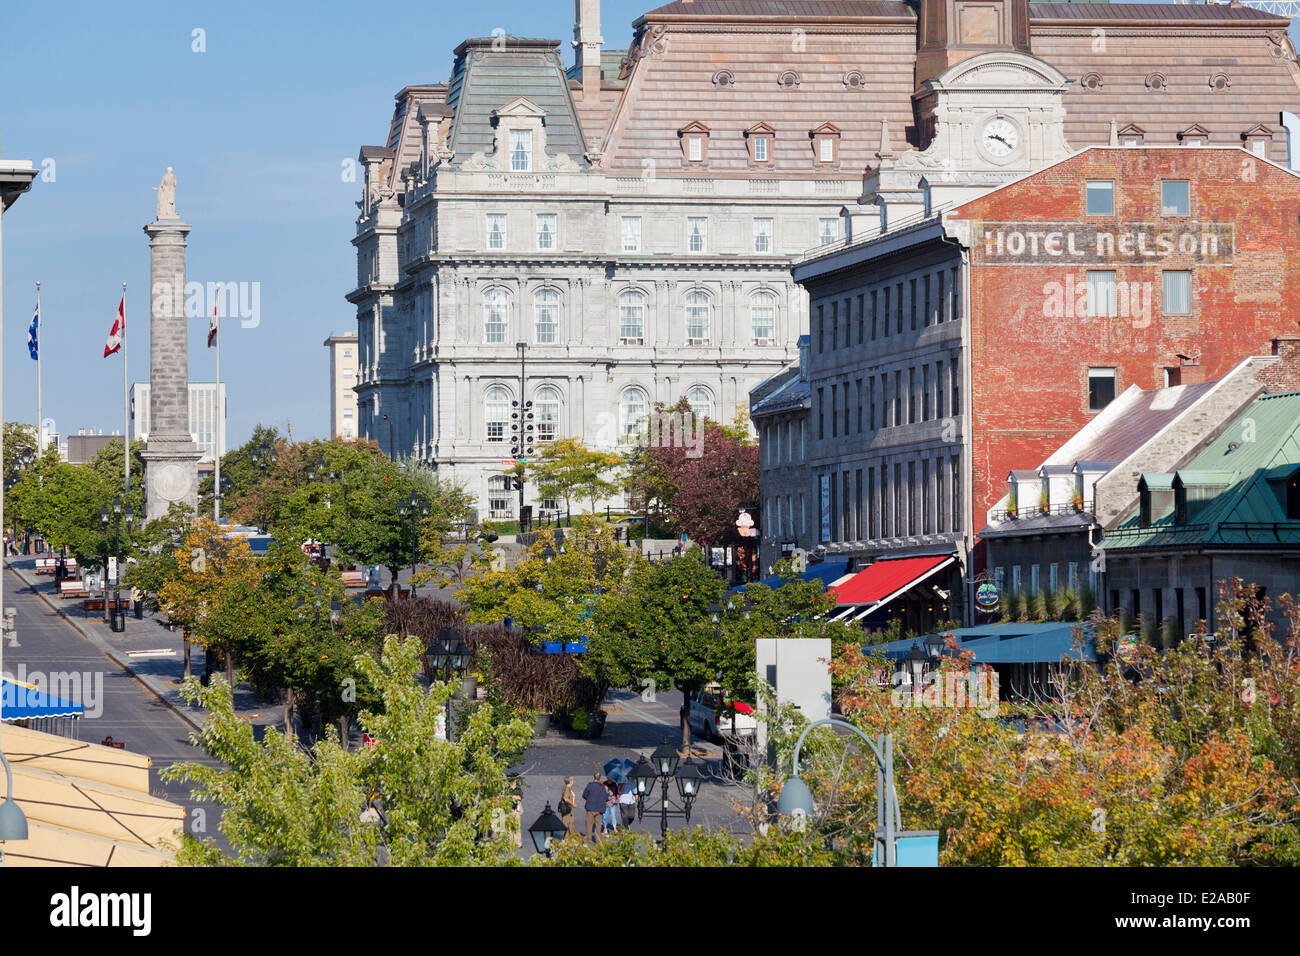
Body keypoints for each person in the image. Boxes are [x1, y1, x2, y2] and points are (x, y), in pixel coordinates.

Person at [581, 771, 607, 843]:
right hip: (600, 808)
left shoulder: (590, 785)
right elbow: (606, 797)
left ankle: (589, 839)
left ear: (593, 777)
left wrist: (589, 799)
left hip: (591, 807)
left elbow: (584, 795)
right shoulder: (602, 787)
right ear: (599, 778)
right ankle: (597, 839)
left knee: (589, 824)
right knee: (598, 825)